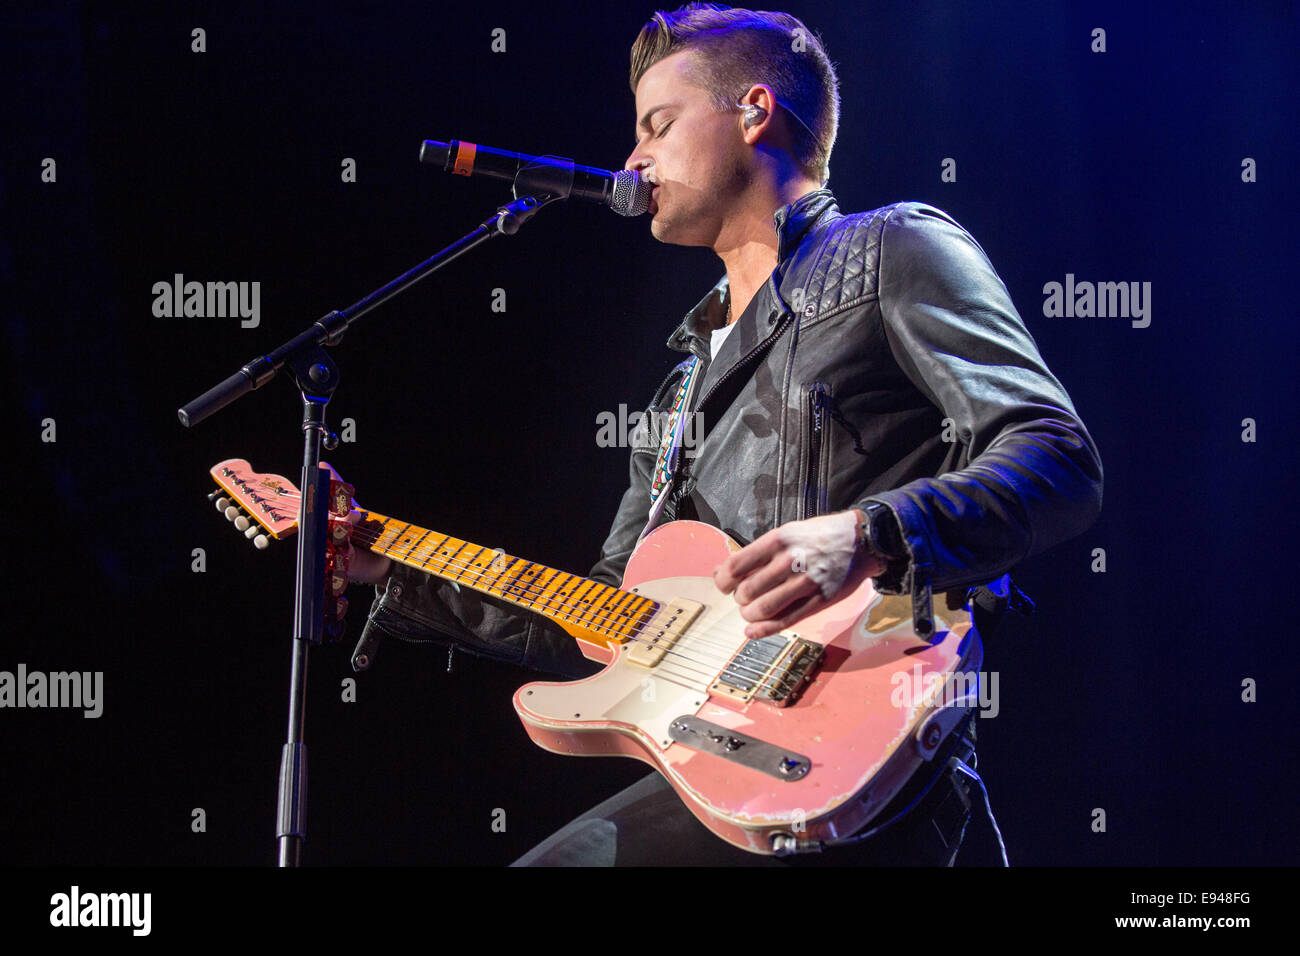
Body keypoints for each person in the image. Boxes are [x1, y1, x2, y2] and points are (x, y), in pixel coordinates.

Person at [345, 3, 1103, 866]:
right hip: (732, 761)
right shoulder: (677, 392)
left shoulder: (890, 250)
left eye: (658, 125)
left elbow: (1057, 453)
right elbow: (604, 617)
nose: (633, 157)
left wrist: (869, 532)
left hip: (874, 763)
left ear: (753, 111)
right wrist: (392, 563)